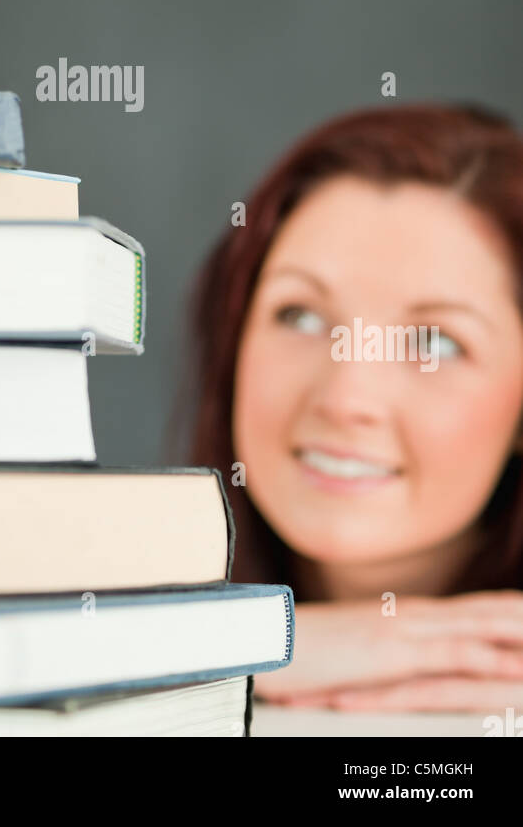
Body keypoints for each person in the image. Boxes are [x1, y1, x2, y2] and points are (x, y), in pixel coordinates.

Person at [180, 103, 523, 711]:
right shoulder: (81, 612)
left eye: (435, 343)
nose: (346, 400)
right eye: (302, 316)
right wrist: (251, 650)